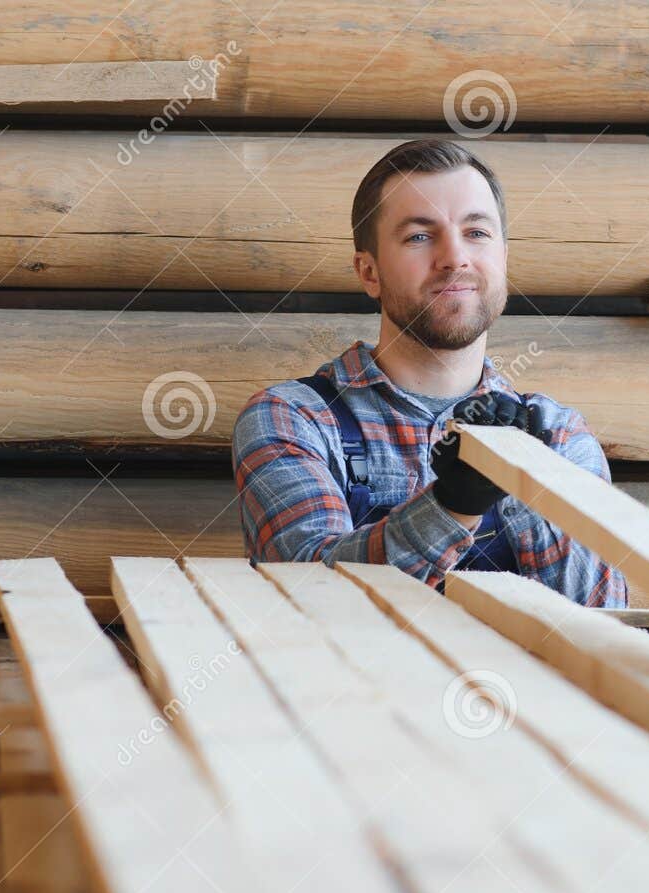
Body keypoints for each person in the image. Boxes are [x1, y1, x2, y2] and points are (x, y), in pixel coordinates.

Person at [231, 138, 628, 607]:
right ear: (369, 272)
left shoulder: (558, 435)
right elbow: (306, 593)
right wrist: (451, 507)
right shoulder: (293, 419)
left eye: (476, 233)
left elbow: (601, 617)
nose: (454, 257)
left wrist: (528, 482)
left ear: (503, 258)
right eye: (419, 236)